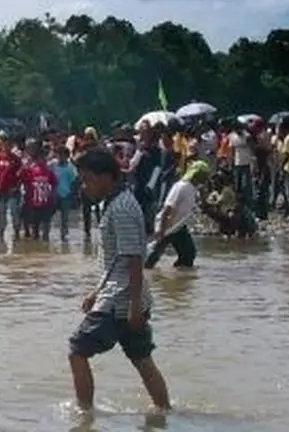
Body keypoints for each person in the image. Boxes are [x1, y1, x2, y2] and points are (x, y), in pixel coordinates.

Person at [68, 148, 170, 413]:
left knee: (77, 351)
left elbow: (134, 259)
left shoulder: (122, 208)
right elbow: (116, 259)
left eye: (88, 179)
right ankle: (164, 412)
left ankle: (84, 415)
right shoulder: (116, 202)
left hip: (121, 299)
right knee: (141, 358)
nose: (84, 186)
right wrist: (96, 292)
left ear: (106, 177)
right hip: (126, 295)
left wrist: (133, 306)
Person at [146, 161, 205, 269]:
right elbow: (167, 208)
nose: (205, 180)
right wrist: (161, 230)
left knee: (189, 254)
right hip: (167, 224)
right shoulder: (181, 186)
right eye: (203, 177)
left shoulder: (193, 188)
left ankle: (178, 274)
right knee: (152, 257)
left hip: (179, 226)